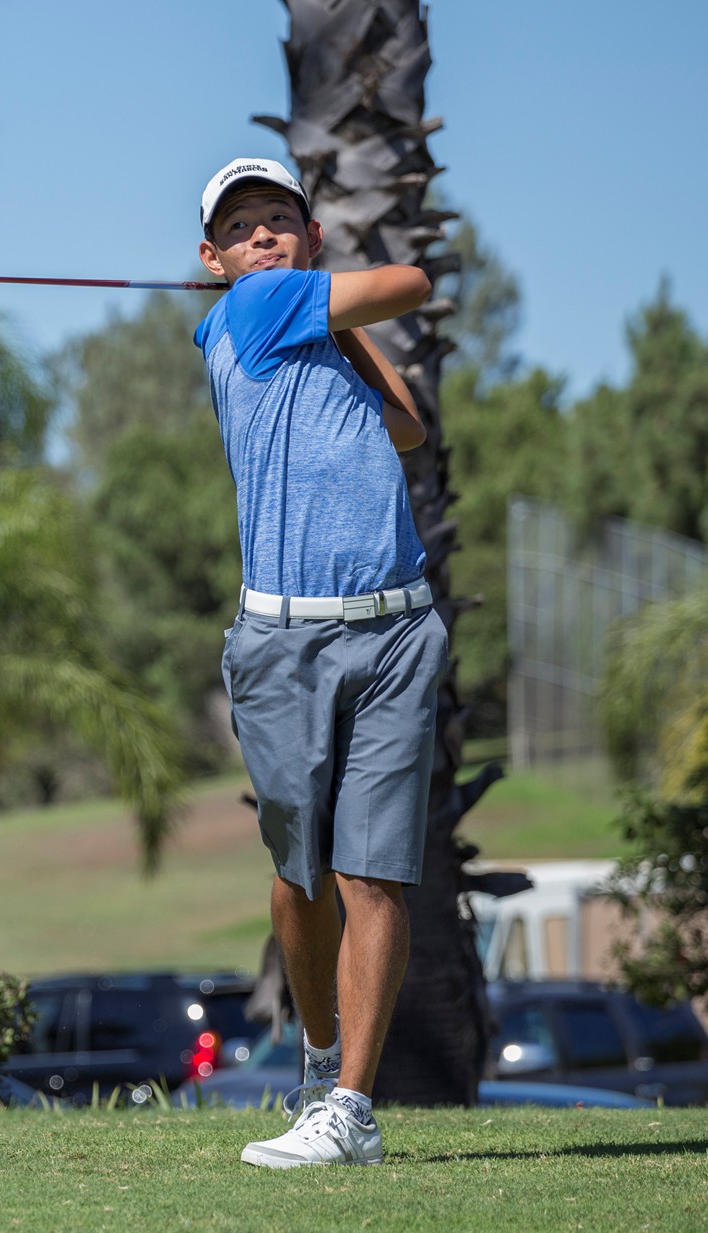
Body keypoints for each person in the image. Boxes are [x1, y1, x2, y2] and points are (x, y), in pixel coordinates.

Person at [193, 158, 448, 1167]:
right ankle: (317, 1053)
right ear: (211, 261)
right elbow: (415, 282)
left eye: (279, 220)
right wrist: (322, 298)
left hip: (394, 629)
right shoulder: (246, 316)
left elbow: (406, 426)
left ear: (312, 241)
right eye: (240, 227)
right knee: (300, 877)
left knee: (370, 872)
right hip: (282, 643)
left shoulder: (314, 335)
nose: (261, 235)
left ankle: (349, 1108)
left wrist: (340, 325)